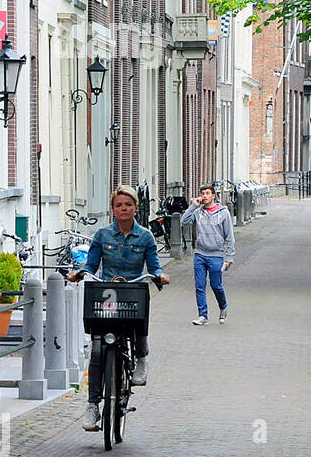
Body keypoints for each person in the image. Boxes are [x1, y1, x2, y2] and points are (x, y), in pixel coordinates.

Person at [68, 185, 170, 431]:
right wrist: (80, 273)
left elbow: (154, 265)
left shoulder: (145, 237)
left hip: (132, 292)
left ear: (135, 207)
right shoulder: (102, 236)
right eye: (118, 205)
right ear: (113, 209)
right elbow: (91, 265)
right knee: (97, 349)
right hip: (106, 296)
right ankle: (93, 406)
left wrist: (159, 275)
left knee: (138, 320)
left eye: (128, 205)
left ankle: (142, 358)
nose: (123, 209)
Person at [180, 184, 235, 326]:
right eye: (202, 193)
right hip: (200, 254)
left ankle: (223, 307)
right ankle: (202, 315)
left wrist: (229, 257)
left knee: (216, 285)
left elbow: (229, 236)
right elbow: (184, 222)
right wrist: (193, 206)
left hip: (216, 255)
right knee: (199, 286)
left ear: (213, 196)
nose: (204, 196)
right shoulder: (198, 212)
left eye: (207, 193)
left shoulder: (223, 213)